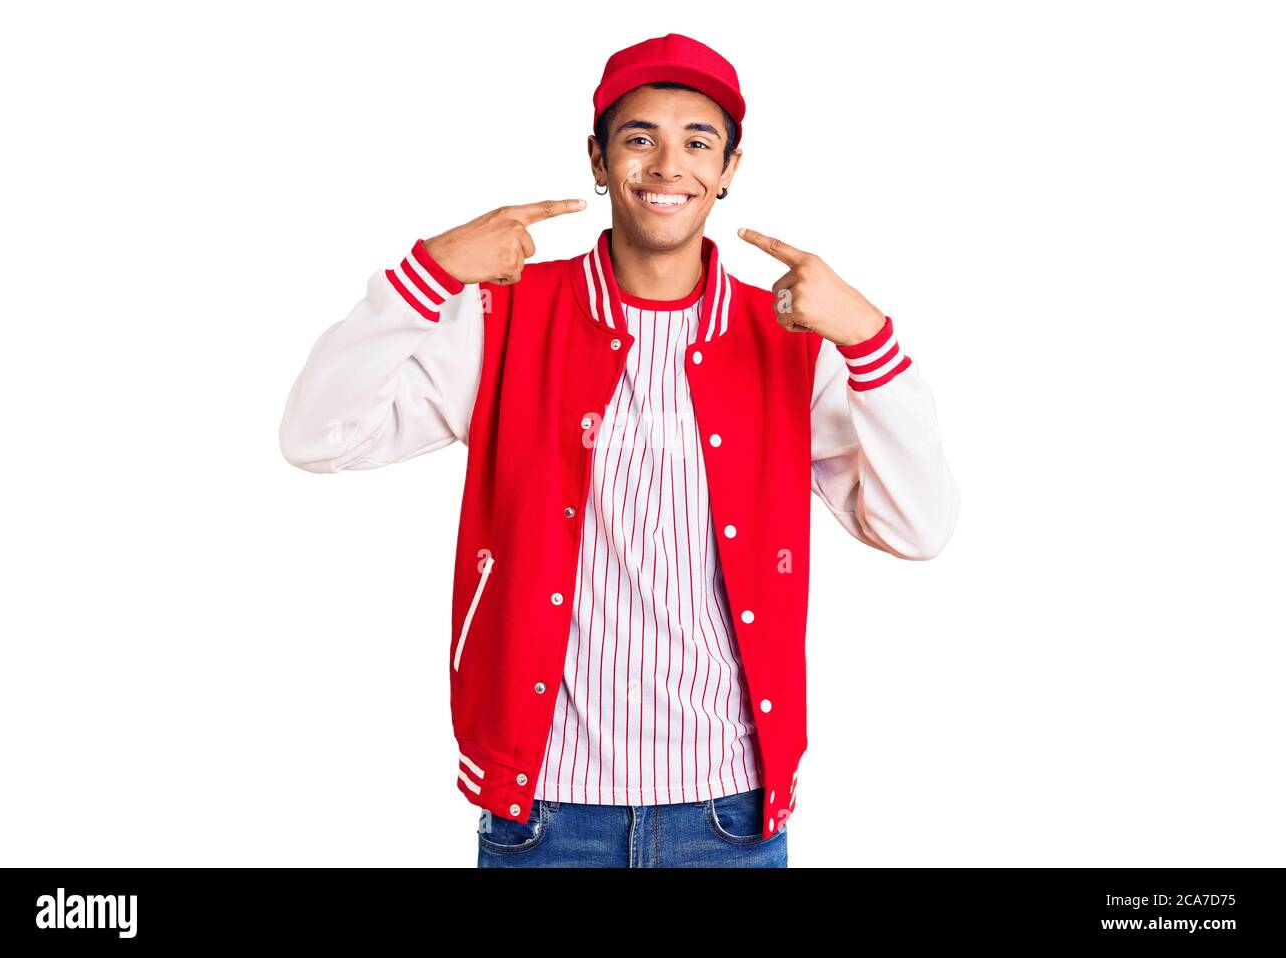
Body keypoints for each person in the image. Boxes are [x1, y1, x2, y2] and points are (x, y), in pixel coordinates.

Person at [279, 33, 960, 868]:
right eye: (639, 138)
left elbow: (919, 528)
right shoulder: (504, 320)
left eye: (696, 142)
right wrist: (432, 270)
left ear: (729, 168)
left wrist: (870, 341)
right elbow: (316, 435)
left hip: (730, 812)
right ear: (599, 163)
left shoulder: (789, 341)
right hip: (545, 810)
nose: (667, 164)